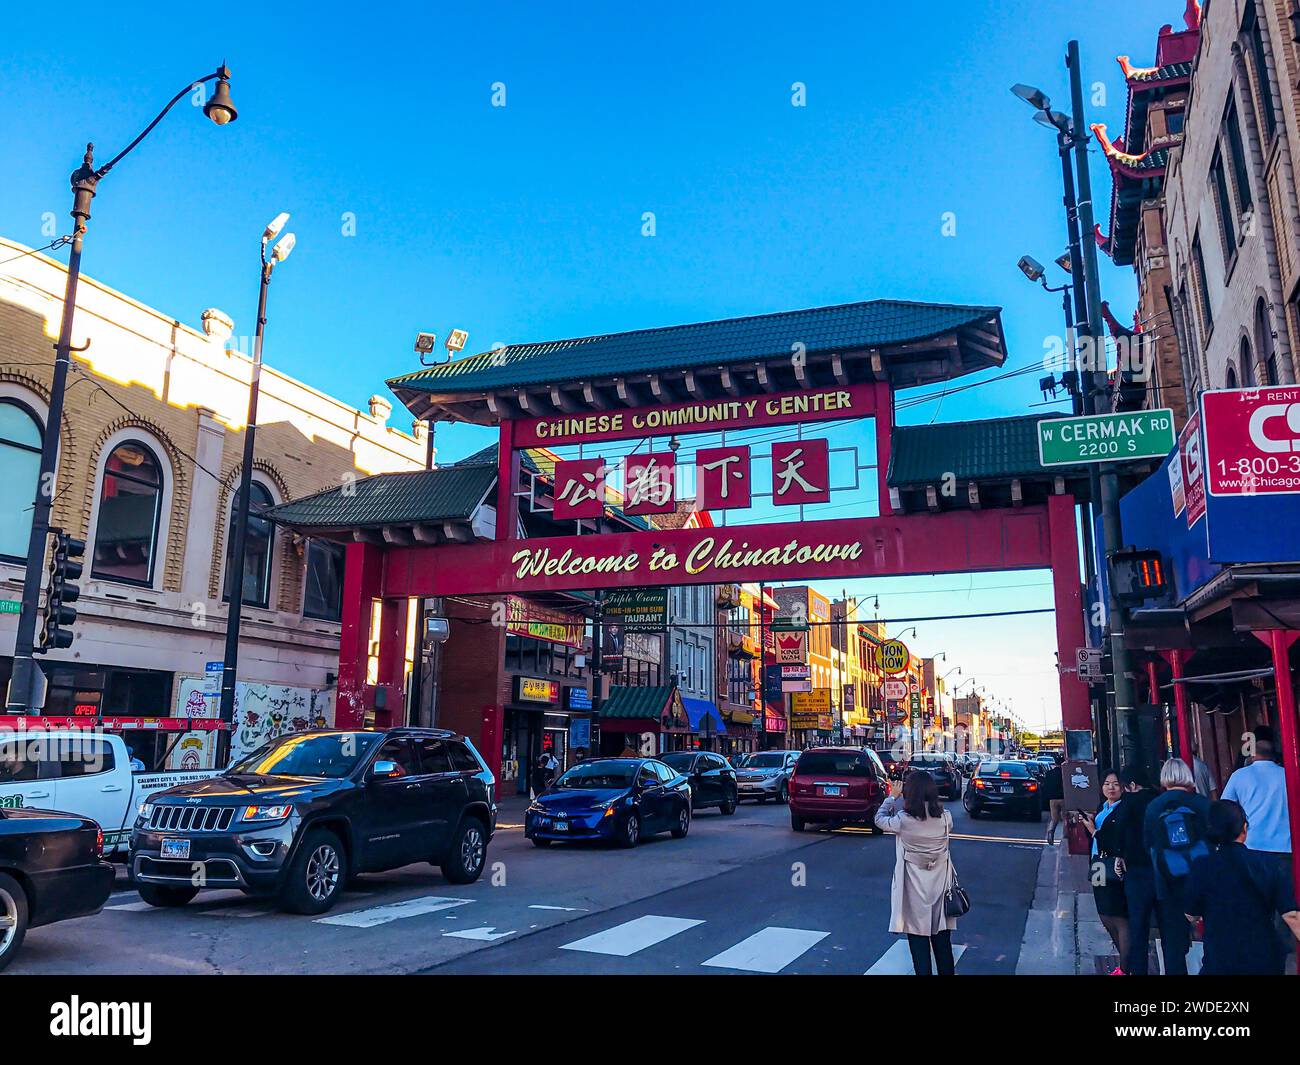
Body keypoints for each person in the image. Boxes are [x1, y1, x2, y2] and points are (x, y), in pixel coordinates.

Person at [1185, 799, 1300, 975]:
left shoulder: (1202, 866)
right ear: (1244, 828)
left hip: (1220, 958)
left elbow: (1191, 913)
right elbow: (1292, 916)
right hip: (1264, 958)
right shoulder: (1269, 864)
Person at [874, 770, 959, 975]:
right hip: (940, 886)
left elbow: (879, 819)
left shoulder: (903, 820)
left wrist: (891, 797)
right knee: (943, 943)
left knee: (919, 946)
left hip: (914, 888)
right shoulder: (946, 819)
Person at [1142, 758, 1211, 976]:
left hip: (1168, 882)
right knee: (1213, 935)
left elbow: (1148, 845)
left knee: (1173, 943)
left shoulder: (1154, 806)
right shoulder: (1201, 803)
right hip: (1203, 878)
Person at [1077, 770, 1129, 974]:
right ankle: (1124, 961)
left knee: (1117, 915)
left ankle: (1126, 967)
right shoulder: (1103, 807)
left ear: (1123, 787)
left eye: (1115, 784)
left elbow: (1115, 839)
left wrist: (1094, 831)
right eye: (1107, 784)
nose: (1111, 788)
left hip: (1113, 865)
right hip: (1098, 863)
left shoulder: (1122, 810)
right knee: (1103, 912)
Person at [1112, 769, 1159, 976]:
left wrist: (1119, 854)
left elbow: (1115, 830)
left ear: (1130, 785)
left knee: (1138, 927)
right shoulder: (1158, 799)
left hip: (1137, 871)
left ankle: (1138, 970)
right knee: (1169, 926)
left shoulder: (1128, 803)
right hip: (1164, 871)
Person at [1221, 726, 1291, 866]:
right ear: (1274, 755)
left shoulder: (1239, 776)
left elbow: (1225, 807)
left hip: (1253, 844)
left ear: (1252, 754)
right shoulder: (1288, 774)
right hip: (1286, 845)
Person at [1041, 760, 1065, 845]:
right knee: (1065, 818)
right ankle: (1065, 837)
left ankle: (1051, 832)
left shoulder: (1049, 773)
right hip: (1063, 798)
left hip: (1052, 799)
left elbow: (1046, 785)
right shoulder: (1065, 773)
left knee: (1054, 818)